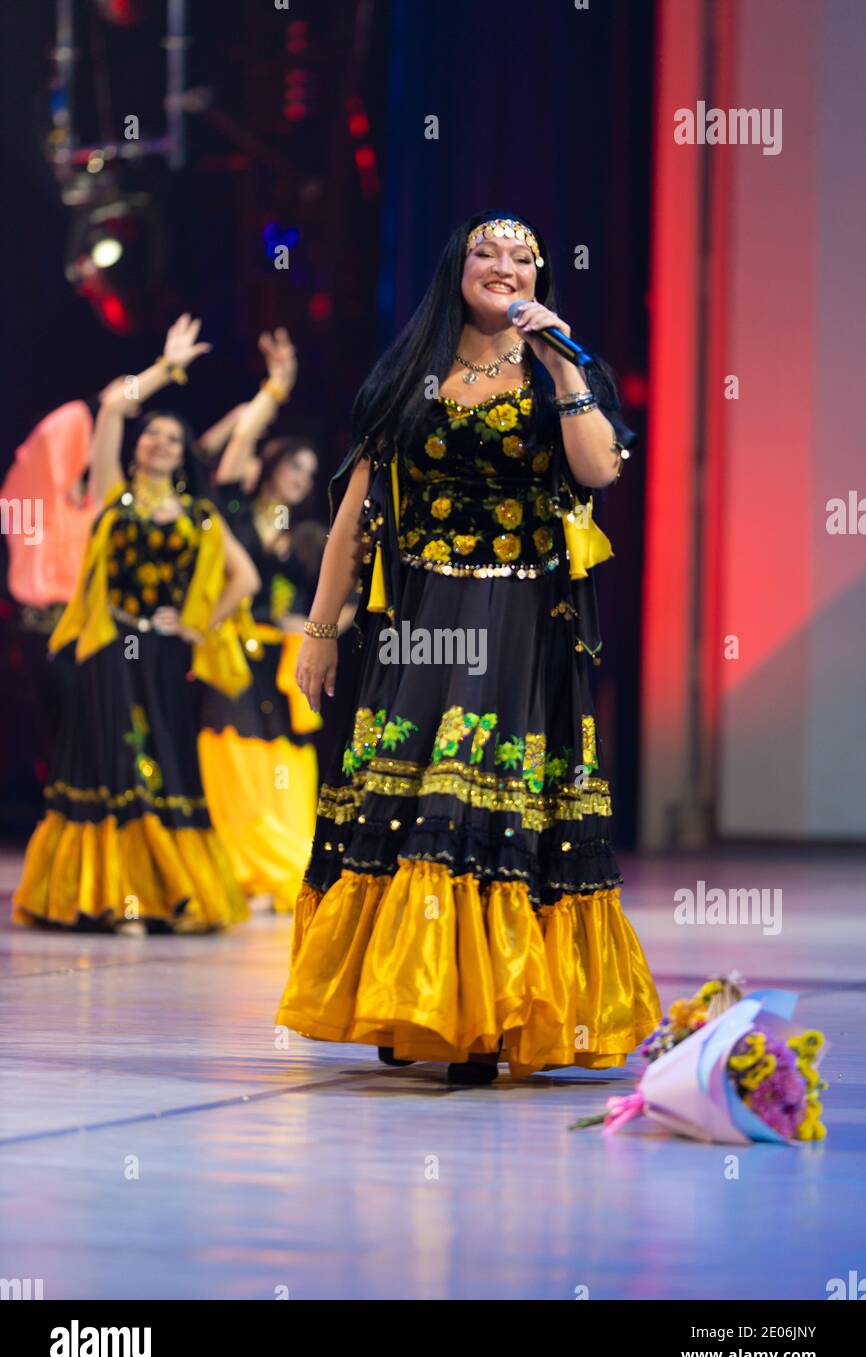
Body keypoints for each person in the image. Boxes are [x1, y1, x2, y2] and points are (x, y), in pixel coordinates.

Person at [274, 210, 661, 1084]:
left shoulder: (568, 368)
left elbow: (599, 470)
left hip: (522, 619)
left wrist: (562, 357)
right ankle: (412, 1003)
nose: (504, 264)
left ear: (540, 280)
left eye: (524, 256)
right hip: (418, 620)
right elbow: (351, 524)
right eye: (486, 252)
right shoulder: (411, 373)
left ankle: (481, 1015)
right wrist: (323, 631)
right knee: (407, 797)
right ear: (456, 269)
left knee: (477, 802)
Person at [13, 314, 260, 934]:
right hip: (107, 645)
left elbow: (246, 580)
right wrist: (164, 368)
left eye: (172, 441)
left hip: (164, 654)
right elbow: (110, 408)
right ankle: (110, 896)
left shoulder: (197, 517)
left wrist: (197, 625)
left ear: (183, 457)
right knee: (112, 759)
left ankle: (166, 896)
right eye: (152, 435)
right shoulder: (112, 493)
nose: (157, 445)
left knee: (163, 758)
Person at [198, 328, 354, 911]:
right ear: (273, 464)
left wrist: (319, 631)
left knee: (282, 757)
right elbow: (233, 450)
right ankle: (243, 867)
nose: (302, 479)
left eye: (311, 473)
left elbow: (347, 595)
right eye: (295, 466)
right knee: (232, 749)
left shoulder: (309, 538)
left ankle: (282, 865)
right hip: (232, 649)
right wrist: (276, 388)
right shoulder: (233, 511)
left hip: (285, 662)